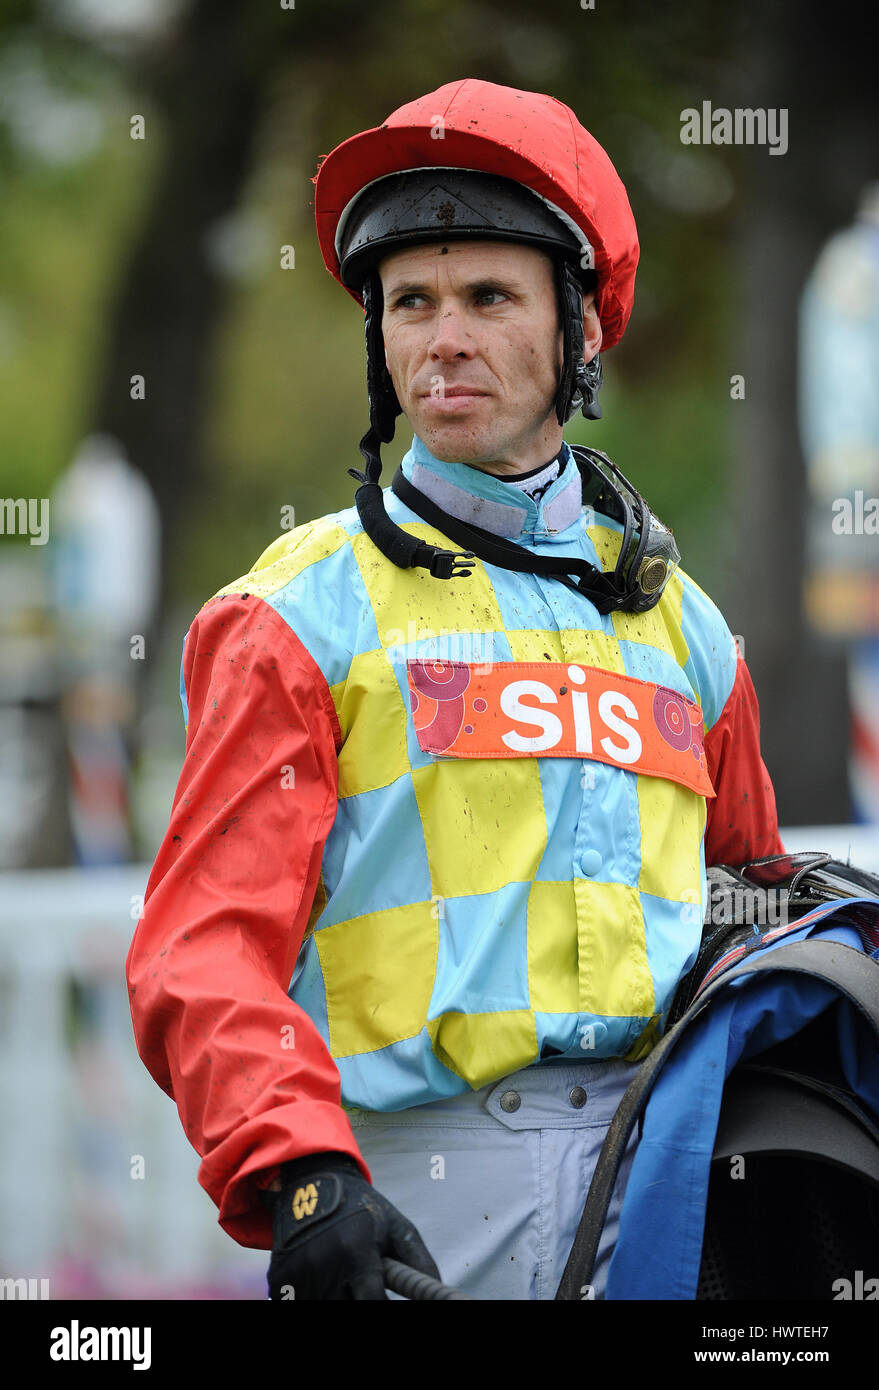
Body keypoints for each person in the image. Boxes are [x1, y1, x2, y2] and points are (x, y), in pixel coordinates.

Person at [125, 78, 785, 1301]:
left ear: (580, 327)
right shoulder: (292, 615)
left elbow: (754, 913)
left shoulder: (692, 634)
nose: (445, 339)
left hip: (667, 1174)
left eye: (490, 298)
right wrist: (303, 1171)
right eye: (411, 303)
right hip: (409, 1200)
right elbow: (204, 947)